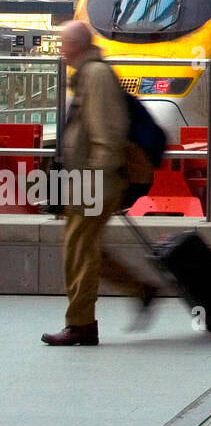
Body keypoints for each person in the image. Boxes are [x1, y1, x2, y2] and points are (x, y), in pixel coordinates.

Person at [42, 20, 155, 346]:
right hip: (83, 177)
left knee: (79, 252)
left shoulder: (97, 75)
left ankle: (80, 325)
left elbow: (109, 133)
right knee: (84, 249)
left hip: (94, 179)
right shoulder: (88, 73)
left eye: (64, 45)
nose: (61, 52)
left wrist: (93, 178)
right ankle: (142, 289)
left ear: (76, 45)